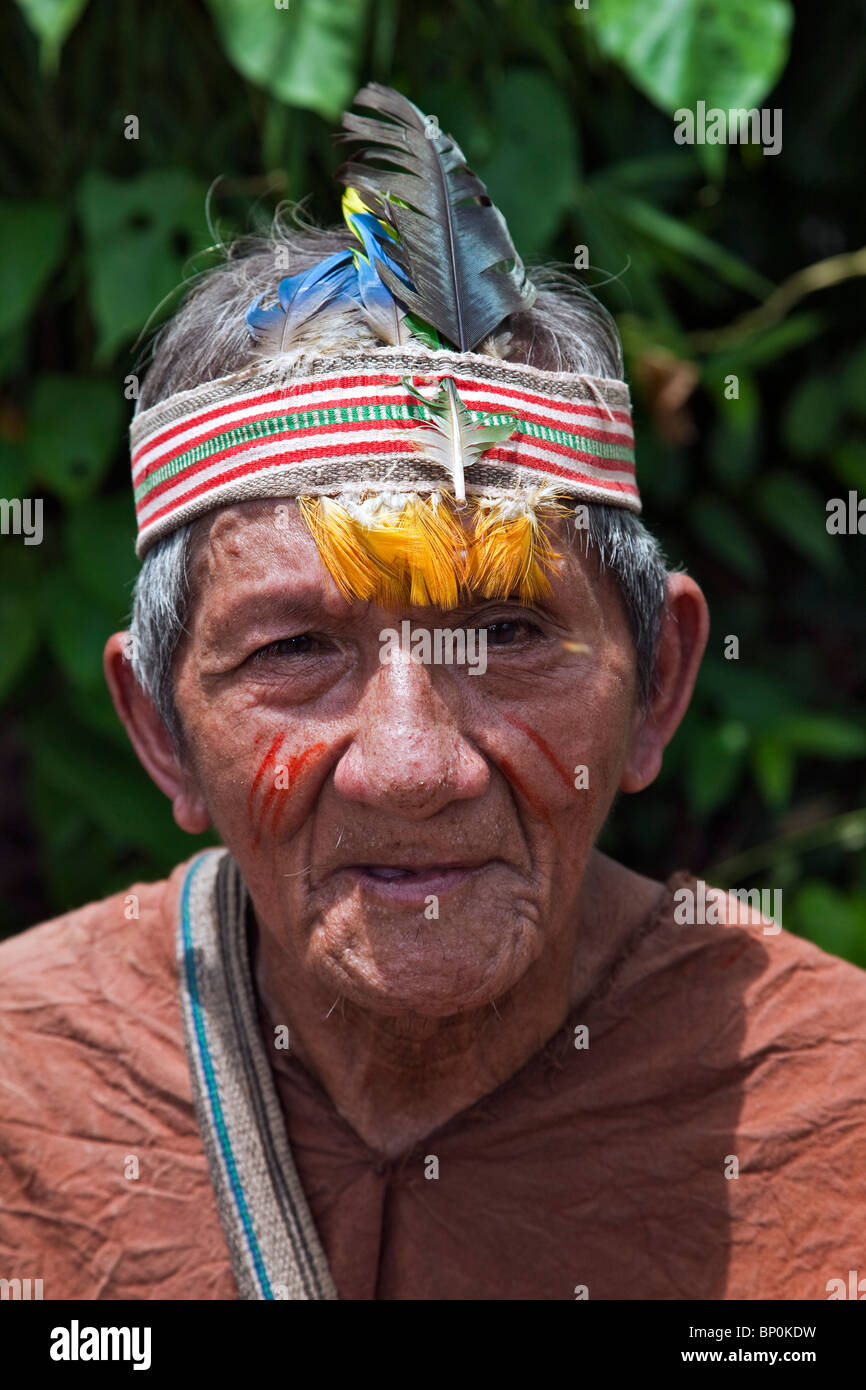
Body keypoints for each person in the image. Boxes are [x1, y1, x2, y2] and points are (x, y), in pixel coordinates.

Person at [1, 84, 863, 1302]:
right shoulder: (25, 1087)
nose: (411, 766)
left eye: (508, 629)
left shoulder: (832, 1114)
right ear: (159, 730)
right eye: (295, 649)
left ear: (659, 682)